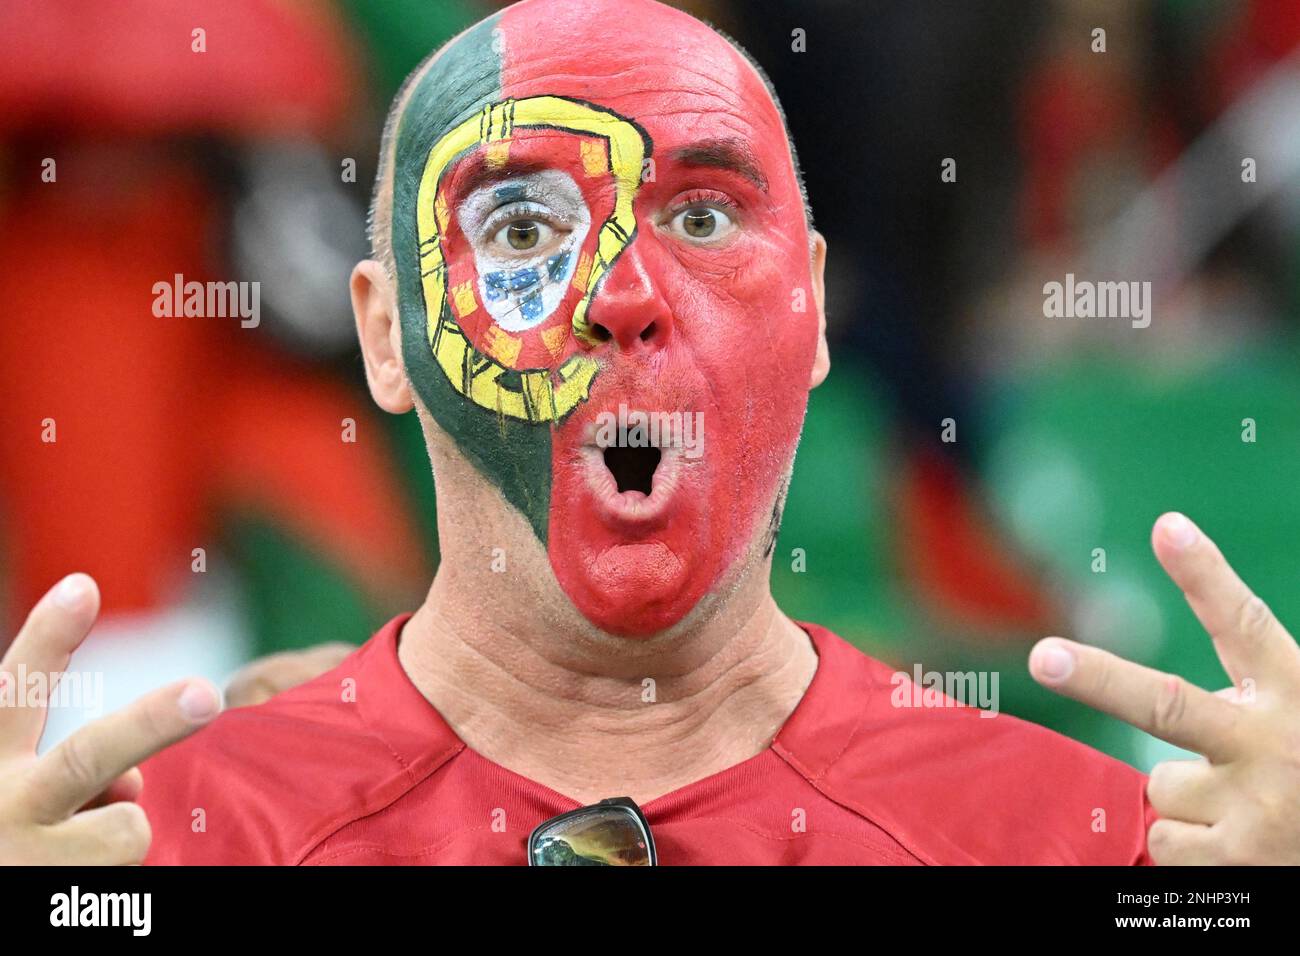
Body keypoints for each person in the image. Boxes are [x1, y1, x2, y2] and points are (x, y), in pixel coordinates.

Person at [2, 0, 1298, 865]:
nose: (623, 298)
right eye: (520, 231)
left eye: (698, 218)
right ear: (388, 333)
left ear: (816, 307)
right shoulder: (156, 840)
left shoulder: (1074, 831)